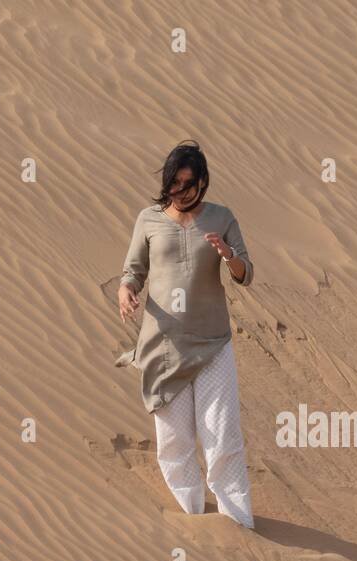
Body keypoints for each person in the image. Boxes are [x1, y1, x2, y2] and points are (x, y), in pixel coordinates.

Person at [108, 139, 256, 529]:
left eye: (189, 184)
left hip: (212, 343)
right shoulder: (149, 219)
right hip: (163, 345)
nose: (180, 191)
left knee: (222, 436)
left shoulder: (221, 218)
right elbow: (133, 269)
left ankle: (237, 521)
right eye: (174, 183)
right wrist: (126, 291)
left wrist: (228, 255)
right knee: (174, 442)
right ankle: (193, 518)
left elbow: (246, 274)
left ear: (203, 183)